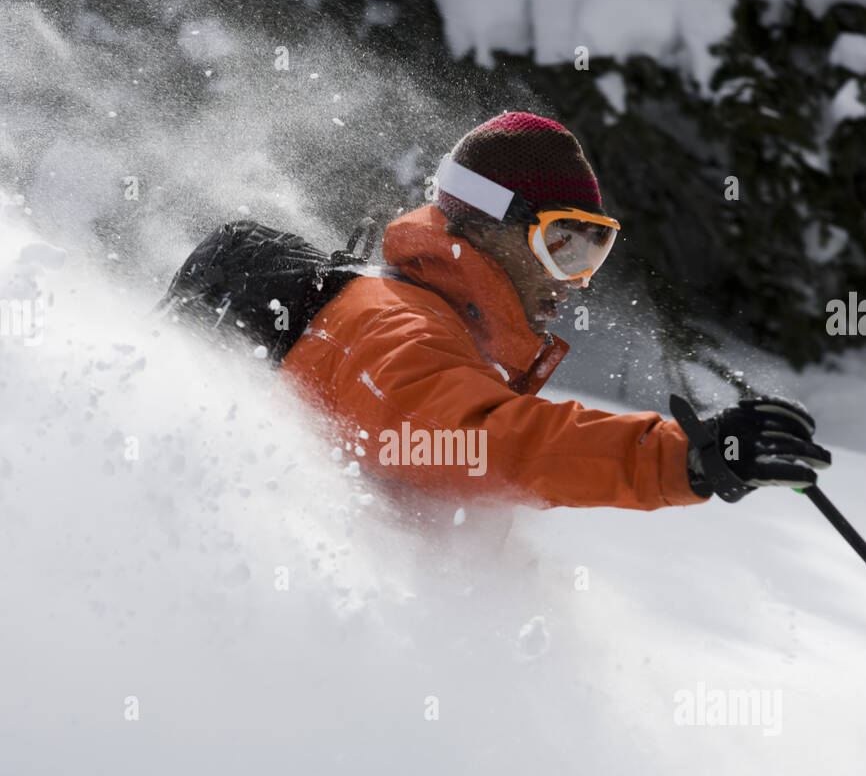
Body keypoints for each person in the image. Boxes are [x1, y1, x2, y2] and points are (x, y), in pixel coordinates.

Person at [276, 111, 830, 508]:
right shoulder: (394, 323)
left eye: (593, 250)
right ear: (483, 226)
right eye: (561, 243)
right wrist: (681, 456)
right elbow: (491, 441)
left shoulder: (443, 329)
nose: (575, 280)